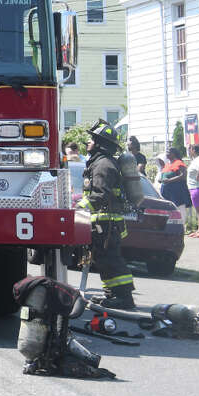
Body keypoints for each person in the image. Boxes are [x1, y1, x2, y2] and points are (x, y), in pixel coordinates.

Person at [81, 120, 138, 309]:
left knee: (111, 260)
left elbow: (100, 194)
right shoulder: (100, 162)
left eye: (92, 139)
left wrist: (78, 208)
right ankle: (112, 294)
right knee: (104, 260)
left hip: (106, 222)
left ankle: (124, 298)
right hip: (104, 222)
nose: (88, 142)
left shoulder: (103, 165)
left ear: (100, 143)